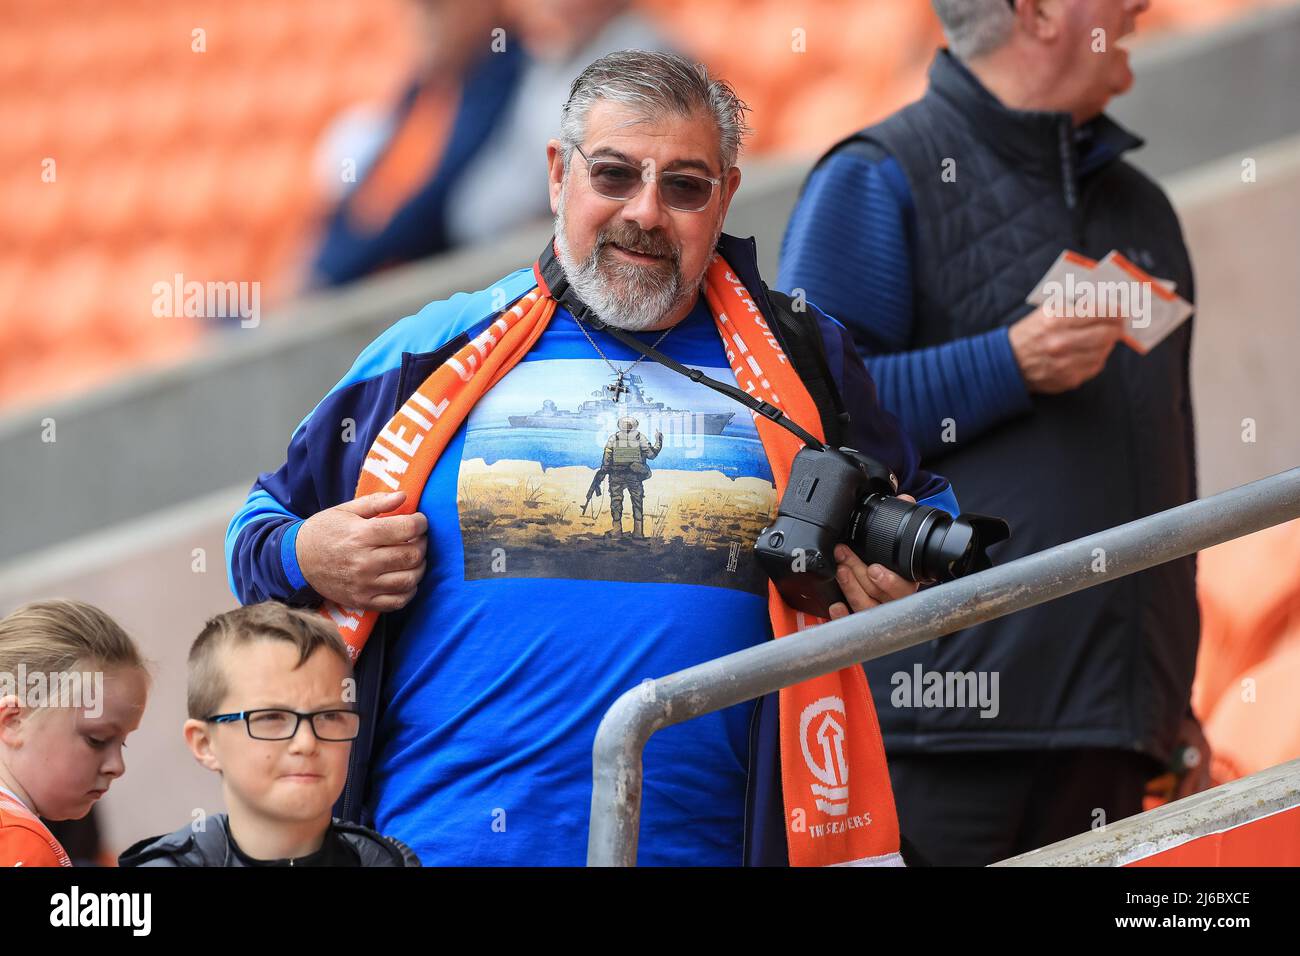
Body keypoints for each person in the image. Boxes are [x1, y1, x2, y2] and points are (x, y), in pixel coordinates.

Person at [227, 51, 960, 867]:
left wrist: (902, 586)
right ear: (556, 175)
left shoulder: (805, 356)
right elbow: (253, 531)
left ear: (725, 198)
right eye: (613, 175)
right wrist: (307, 553)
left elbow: (923, 510)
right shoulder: (428, 351)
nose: (646, 212)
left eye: (684, 186)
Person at [777, 0, 1204, 865]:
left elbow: (1165, 466)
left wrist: (1165, 700)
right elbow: (801, 424)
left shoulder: (1143, 209)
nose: (1141, 8)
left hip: (1114, 732)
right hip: (938, 731)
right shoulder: (875, 178)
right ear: (1039, 11)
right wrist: (1005, 364)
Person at [119, 603, 419, 867]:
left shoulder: (389, 860)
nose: (306, 742)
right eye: (271, 717)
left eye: (329, 716)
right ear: (205, 743)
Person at [0, 599, 150, 867]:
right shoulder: (22, 846)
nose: (117, 766)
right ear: (13, 721)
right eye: (97, 740)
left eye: (122, 743)